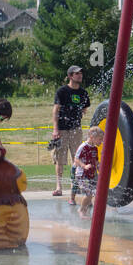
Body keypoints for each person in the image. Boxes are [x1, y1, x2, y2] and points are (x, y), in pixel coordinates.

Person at [50, 68, 90, 197]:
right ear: (70, 76)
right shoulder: (62, 91)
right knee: (60, 159)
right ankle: (59, 187)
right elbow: (55, 110)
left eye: (81, 73)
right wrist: (55, 129)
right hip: (61, 129)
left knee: (76, 157)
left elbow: (85, 108)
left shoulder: (83, 93)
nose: (80, 76)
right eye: (77, 73)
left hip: (76, 129)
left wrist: (79, 113)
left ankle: (74, 186)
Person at [71, 127, 104, 215]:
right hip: (82, 174)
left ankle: (85, 210)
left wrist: (98, 166)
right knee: (89, 194)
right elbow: (76, 159)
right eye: (100, 139)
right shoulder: (83, 147)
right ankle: (81, 210)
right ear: (92, 137)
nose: (101, 141)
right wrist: (84, 166)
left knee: (95, 193)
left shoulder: (95, 148)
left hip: (92, 174)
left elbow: (96, 160)